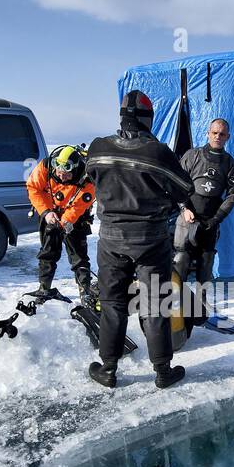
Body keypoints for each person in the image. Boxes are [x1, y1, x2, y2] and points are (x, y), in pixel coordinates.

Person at [84, 90, 195, 389]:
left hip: (110, 238)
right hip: (150, 239)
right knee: (155, 304)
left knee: (112, 303)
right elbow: (185, 190)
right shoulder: (158, 152)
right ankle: (162, 372)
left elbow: (91, 176)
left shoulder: (98, 147)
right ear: (149, 118)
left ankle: (108, 368)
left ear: (122, 116)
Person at [174, 118, 234, 324]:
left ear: (228, 137)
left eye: (222, 134)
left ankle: (202, 303)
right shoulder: (192, 156)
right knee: (181, 259)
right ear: (207, 133)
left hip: (210, 221)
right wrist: (184, 208)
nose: (217, 136)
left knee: (206, 262)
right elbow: (176, 183)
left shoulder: (230, 164)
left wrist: (217, 218)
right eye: (214, 132)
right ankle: (174, 300)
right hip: (187, 217)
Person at [26, 144, 96, 306]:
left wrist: (67, 220)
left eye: (66, 174)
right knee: (48, 252)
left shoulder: (87, 178)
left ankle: (85, 293)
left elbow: (79, 205)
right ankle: (44, 288)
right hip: (50, 211)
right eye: (59, 173)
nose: (61, 177)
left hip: (75, 216)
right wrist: (45, 212)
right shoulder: (46, 166)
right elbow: (33, 187)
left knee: (78, 257)